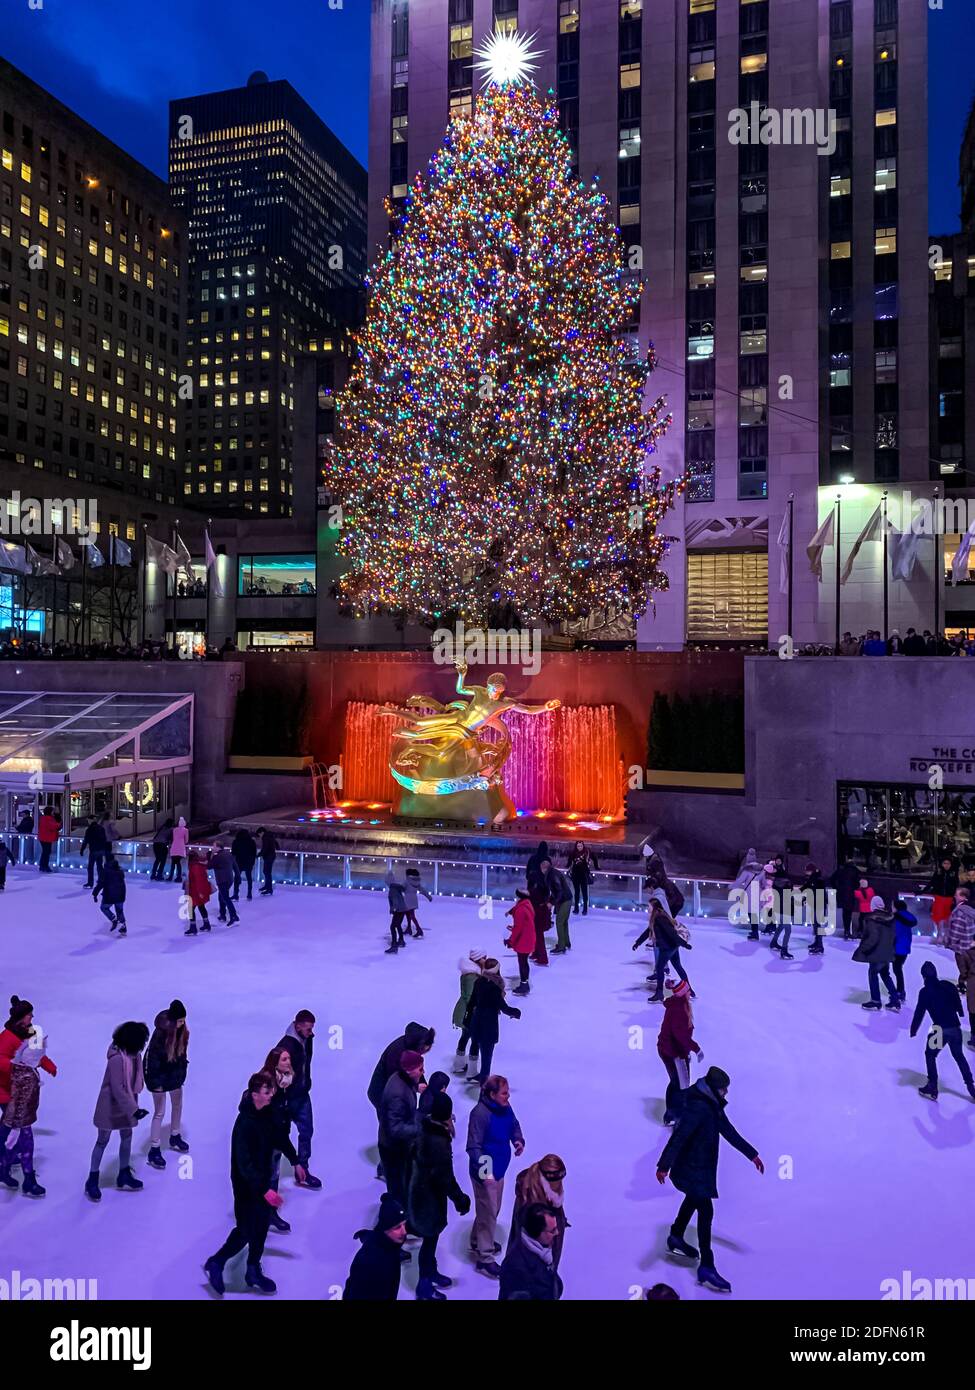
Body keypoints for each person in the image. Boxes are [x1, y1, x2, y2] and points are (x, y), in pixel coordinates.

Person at [656, 1065, 764, 1294]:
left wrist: (751, 1153)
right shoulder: (698, 1107)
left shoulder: (711, 1104)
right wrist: (664, 1165)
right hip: (693, 1168)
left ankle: (676, 1235)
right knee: (706, 1212)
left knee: (692, 1202)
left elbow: (728, 1130)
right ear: (715, 1089)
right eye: (724, 1090)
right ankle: (707, 1265)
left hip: (701, 1167)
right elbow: (680, 1136)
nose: (726, 1094)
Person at [204, 1072, 300, 1296]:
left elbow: (279, 1137)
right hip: (247, 1186)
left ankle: (253, 1269)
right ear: (255, 1095)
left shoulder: (267, 1113)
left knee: (262, 1225)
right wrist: (264, 1190)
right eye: (267, 1092)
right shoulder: (244, 1124)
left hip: (263, 1180)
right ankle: (217, 1261)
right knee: (246, 1229)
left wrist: (295, 1160)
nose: (271, 1095)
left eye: (272, 1091)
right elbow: (244, 1165)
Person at [408, 1091, 472, 1299]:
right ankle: (424, 1284)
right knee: (429, 1240)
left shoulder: (424, 1128)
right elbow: (444, 1177)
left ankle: (430, 1272)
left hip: (420, 1192)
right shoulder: (438, 1141)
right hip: (429, 1200)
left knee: (430, 1239)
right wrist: (460, 1199)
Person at [467, 1074, 525, 1279]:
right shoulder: (480, 1114)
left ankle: (477, 1239)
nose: (508, 1096)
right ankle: (485, 1258)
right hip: (486, 1172)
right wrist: (486, 1174)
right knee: (489, 1212)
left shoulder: (505, 1107)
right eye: (504, 1093)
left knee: (492, 1210)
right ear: (492, 1094)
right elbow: (473, 1147)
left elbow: (513, 1124)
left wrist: (518, 1140)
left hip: (499, 1167)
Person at [87, 1020, 150, 1201]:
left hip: (128, 1104)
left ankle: (123, 1174)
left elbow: (133, 1082)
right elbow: (117, 1088)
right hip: (110, 1106)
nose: (143, 1045)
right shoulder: (116, 1059)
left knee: (127, 1136)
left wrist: (133, 1107)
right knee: (102, 1141)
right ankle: (92, 1179)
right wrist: (134, 1110)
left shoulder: (135, 1055)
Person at [0, 997, 57, 1196]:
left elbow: (35, 1053)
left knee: (8, 1128)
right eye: (29, 1014)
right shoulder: (7, 1037)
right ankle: (26, 1179)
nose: (32, 1017)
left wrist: (46, 1064)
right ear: (21, 1018)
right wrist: (20, 1068)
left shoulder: (30, 1031)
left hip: (21, 1090)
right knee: (20, 1134)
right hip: (7, 1092)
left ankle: (4, 1164)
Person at [910, 961, 975, 1102]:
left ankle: (932, 1086)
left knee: (930, 1054)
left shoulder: (925, 992)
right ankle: (971, 1087)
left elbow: (919, 1013)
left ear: (923, 976)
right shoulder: (948, 985)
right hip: (955, 1028)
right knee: (959, 1057)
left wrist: (913, 1029)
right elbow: (957, 1001)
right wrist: (961, 1013)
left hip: (939, 1029)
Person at [275, 1009, 322, 1188]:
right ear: (297, 1025)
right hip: (287, 1099)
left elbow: (306, 1063)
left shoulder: (307, 1039)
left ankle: (303, 1169)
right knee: (280, 1139)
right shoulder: (285, 1046)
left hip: (301, 1094)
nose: (311, 1033)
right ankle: (273, 1180)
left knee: (306, 1131)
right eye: (308, 1029)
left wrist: (305, 1082)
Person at [144, 1000, 190, 1171]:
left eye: (184, 1020)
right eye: (180, 1021)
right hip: (158, 1078)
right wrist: (155, 1083)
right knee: (160, 1112)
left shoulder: (183, 1032)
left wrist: (181, 1074)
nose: (182, 1023)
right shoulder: (160, 1034)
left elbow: (182, 1056)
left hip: (174, 1077)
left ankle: (175, 1136)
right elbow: (151, 1060)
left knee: (177, 1105)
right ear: (172, 1021)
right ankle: (154, 1148)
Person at [463, 960, 522, 1084]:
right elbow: (502, 1006)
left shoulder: (478, 982)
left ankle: (471, 1072)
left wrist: (467, 1019)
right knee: (486, 1058)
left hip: (476, 1022)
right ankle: (484, 1087)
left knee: (475, 1046)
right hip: (488, 1027)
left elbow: (471, 1002)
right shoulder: (495, 987)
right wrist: (516, 1012)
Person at [378, 1048, 423, 1209]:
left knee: (400, 1182)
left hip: (397, 1146)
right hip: (393, 1148)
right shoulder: (398, 1092)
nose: (422, 1072)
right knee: (398, 1187)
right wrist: (420, 1129)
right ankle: (397, 1221)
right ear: (409, 1070)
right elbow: (395, 1129)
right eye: (420, 1069)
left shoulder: (402, 1080)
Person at [506, 1155, 569, 1269]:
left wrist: (560, 1219)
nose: (560, 1186)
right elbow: (526, 1245)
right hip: (533, 1271)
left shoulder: (549, 1194)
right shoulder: (530, 1204)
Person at [343, 1195, 409, 1301]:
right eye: (397, 1228)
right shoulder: (371, 1263)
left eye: (404, 1225)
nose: (404, 1232)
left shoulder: (390, 1245)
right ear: (385, 1228)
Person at [657, 978, 701, 1125]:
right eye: (688, 990)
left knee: (677, 1082)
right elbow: (680, 1036)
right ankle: (674, 1115)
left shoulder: (678, 1004)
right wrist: (696, 1048)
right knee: (680, 1084)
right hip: (673, 1052)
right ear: (683, 993)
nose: (690, 992)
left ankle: (673, 1114)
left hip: (671, 1050)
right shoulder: (679, 1010)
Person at [498, 1202, 563, 1300]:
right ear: (538, 1232)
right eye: (552, 1230)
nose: (557, 1233)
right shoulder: (515, 1269)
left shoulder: (541, 1252)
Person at [633, 896, 692, 1001]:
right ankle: (690, 990)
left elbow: (671, 932)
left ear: (654, 907)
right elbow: (648, 932)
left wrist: (683, 943)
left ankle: (659, 993)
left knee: (660, 969)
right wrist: (638, 943)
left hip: (668, 947)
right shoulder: (657, 916)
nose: (648, 908)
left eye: (649, 906)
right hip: (672, 946)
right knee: (677, 966)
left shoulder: (659, 918)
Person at [853, 894, 901, 1011]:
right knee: (885, 975)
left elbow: (872, 938)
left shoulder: (872, 919)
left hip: (876, 954)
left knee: (873, 974)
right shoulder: (890, 919)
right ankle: (895, 1000)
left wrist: (862, 949)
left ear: (872, 905)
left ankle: (876, 1000)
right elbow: (894, 936)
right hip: (887, 953)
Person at [452, 950, 488, 1075]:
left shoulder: (471, 972)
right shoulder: (472, 975)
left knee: (465, 1037)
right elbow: (470, 996)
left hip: (465, 1012)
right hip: (469, 1013)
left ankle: (459, 1064)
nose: (486, 959)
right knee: (475, 1040)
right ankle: (472, 1071)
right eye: (484, 957)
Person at [505, 889, 536, 996]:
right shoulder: (527, 904)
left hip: (524, 940)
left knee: (522, 962)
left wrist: (510, 940)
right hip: (529, 937)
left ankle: (524, 984)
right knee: (524, 961)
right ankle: (524, 982)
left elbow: (518, 928)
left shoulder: (521, 910)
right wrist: (510, 912)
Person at [925, 857, 959, 947]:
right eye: (945, 863)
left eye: (948, 863)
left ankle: (946, 938)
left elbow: (956, 885)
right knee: (939, 918)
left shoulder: (953, 873)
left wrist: (954, 897)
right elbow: (932, 882)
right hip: (939, 898)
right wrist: (923, 891)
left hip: (949, 899)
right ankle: (939, 937)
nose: (946, 865)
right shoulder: (939, 872)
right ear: (942, 864)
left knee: (948, 919)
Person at [92, 852, 128, 936]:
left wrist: (95, 893)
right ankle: (123, 927)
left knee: (104, 907)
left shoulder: (105, 871)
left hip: (110, 894)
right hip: (121, 894)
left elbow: (101, 883)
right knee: (119, 910)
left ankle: (113, 919)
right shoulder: (119, 870)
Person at [947, 887, 975, 984]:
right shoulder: (970, 909)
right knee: (969, 968)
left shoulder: (960, 911)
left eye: (957, 894)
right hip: (970, 944)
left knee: (964, 970)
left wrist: (951, 943)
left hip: (962, 947)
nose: (954, 896)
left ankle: (964, 986)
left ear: (963, 897)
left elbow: (956, 930)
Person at [891, 897, 917, 1002]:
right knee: (898, 969)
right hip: (905, 948)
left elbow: (894, 933)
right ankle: (900, 991)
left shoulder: (896, 919)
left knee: (896, 970)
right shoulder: (909, 917)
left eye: (892, 906)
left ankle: (900, 991)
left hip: (896, 948)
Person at [546, 860, 574, 954]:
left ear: (544, 868)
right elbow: (555, 891)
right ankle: (566, 942)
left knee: (559, 922)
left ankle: (562, 946)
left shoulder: (553, 875)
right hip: (565, 899)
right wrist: (550, 901)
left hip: (565, 900)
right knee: (564, 922)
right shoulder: (552, 873)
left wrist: (552, 903)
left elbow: (559, 891)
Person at [210, 840, 240, 925]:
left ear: (218, 847)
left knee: (226, 898)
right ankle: (222, 915)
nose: (213, 848)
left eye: (214, 846)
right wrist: (238, 876)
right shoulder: (229, 854)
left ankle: (234, 916)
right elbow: (235, 867)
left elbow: (209, 866)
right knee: (221, 897)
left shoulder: (217, 857)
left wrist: (211, 856)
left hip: (222, 880)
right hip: (229, 879)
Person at [183, 850, 213, 935]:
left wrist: (200, 892)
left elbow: (197, 880)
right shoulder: (200, 865)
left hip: (196, 892)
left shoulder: (194, 866)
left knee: (190, 909)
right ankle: (207, 925)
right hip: (199, 891)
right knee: (201, 907)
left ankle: (193, 928)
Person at [830, 856, 860, 940]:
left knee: (844, 913)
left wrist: (836, 888)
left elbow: (832, 879)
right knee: (849, 913)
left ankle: (846, 931)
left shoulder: (840, 870)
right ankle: (847, 931)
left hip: (841, 894)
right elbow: (857, 884)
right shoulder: (855, 871)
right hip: (850, 894)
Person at [567, 841, 598, 914]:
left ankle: (585, 909)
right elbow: (569, 861)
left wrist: (597, 867)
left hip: (584, 875)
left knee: (584, 893)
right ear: (576, 846)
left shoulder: (587, 852)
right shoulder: (573, 853)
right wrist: (567, 866)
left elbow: (594, 858)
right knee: (576, 892)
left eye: (580, 846)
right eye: (578, 846)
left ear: (583, 846)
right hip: (575, 875)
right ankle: (576, 908)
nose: (579, 847)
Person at [81, 814, 109, 889]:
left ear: (90, 820)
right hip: (100, 850)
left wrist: (82, 849)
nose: (88, 821)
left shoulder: (89, 829)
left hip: (93, 850)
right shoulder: (101, 828)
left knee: (90, 867)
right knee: (99, 866)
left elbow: (86, 840)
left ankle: (90, 883)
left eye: (88, 820)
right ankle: (101, 881)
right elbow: (104, 839)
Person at [403, 866, 432, 938]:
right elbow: (422, 889)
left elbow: (401, 888)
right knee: (409, 914)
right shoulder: (416, 882)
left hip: (407, 899)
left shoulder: (407, 881)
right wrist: (428, 896)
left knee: (411, 916)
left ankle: (419, 930)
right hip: (414, 899)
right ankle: (409, 928)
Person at [385, 864, 408, 953]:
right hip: (403, 909)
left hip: (399, 910)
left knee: (392, 926)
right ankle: (401, 940)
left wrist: (392, 909)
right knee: (397, 925)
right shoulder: (396, 887)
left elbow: (395, 901)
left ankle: (394, 945)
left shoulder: (392, 890)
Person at [231, 827, 258, 900]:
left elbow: (233, 853)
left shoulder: (236, 841)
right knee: (249, 878)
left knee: (237, 878)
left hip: (239, 862)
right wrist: (252, 862)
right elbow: (254, 853)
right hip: (248, 862)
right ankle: (249, 894)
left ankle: (236, 894)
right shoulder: (252, 841)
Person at [37, 804, 60, 873]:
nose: (53, 813)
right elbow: (54, 826)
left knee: (45, 852)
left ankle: (42, 866)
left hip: (44, 838)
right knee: (46, 852)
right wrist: (58, 824)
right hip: (46, 838)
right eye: (53, 811)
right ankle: (44, 866)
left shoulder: (44, 818)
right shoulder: (48, 819)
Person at [167, 816, 189, 882]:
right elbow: (186, 840)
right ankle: (179, 877)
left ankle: (170, 877)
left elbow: (174, 838)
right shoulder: (186, 830)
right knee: (178, 863)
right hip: (181, 847)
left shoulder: (174, 829)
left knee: (173, 863)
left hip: (174, 847)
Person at [258, 827, 277, 896]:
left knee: (267, 872)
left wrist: (259, 854)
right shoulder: (270, 836)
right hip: (271, 856)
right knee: (267, 872)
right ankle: (267, 886)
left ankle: (269, 888)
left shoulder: (265, 837)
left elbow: (265, 848)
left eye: (259, 834)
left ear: (262, 832)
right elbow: (275, 843)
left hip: (268, 856)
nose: (260, 836)